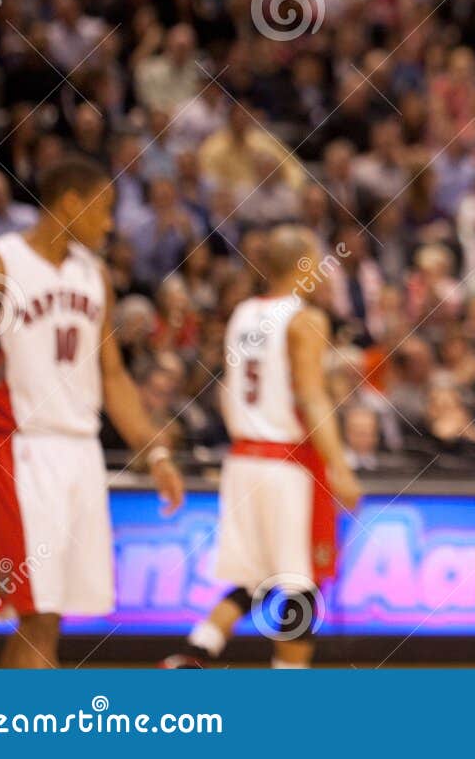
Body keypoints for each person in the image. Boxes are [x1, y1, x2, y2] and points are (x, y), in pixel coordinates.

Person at [0, 155, 185, 668]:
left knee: (53, 616)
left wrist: (155, 451)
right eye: (104, 209)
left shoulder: (95, 273)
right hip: (20, 450)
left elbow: (113, 376)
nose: (110, 223)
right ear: (72, 204)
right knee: (35, 614)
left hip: (82, 451)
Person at [161, 226, 361, 669]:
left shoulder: (242, 313)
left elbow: (226, 391)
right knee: (299, 583)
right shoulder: (306, 318)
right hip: (286, 463)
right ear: (304, 265)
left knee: (255, 576)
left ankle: (194, 653)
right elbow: (311, 398)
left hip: (243, 459)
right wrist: (340, 465)